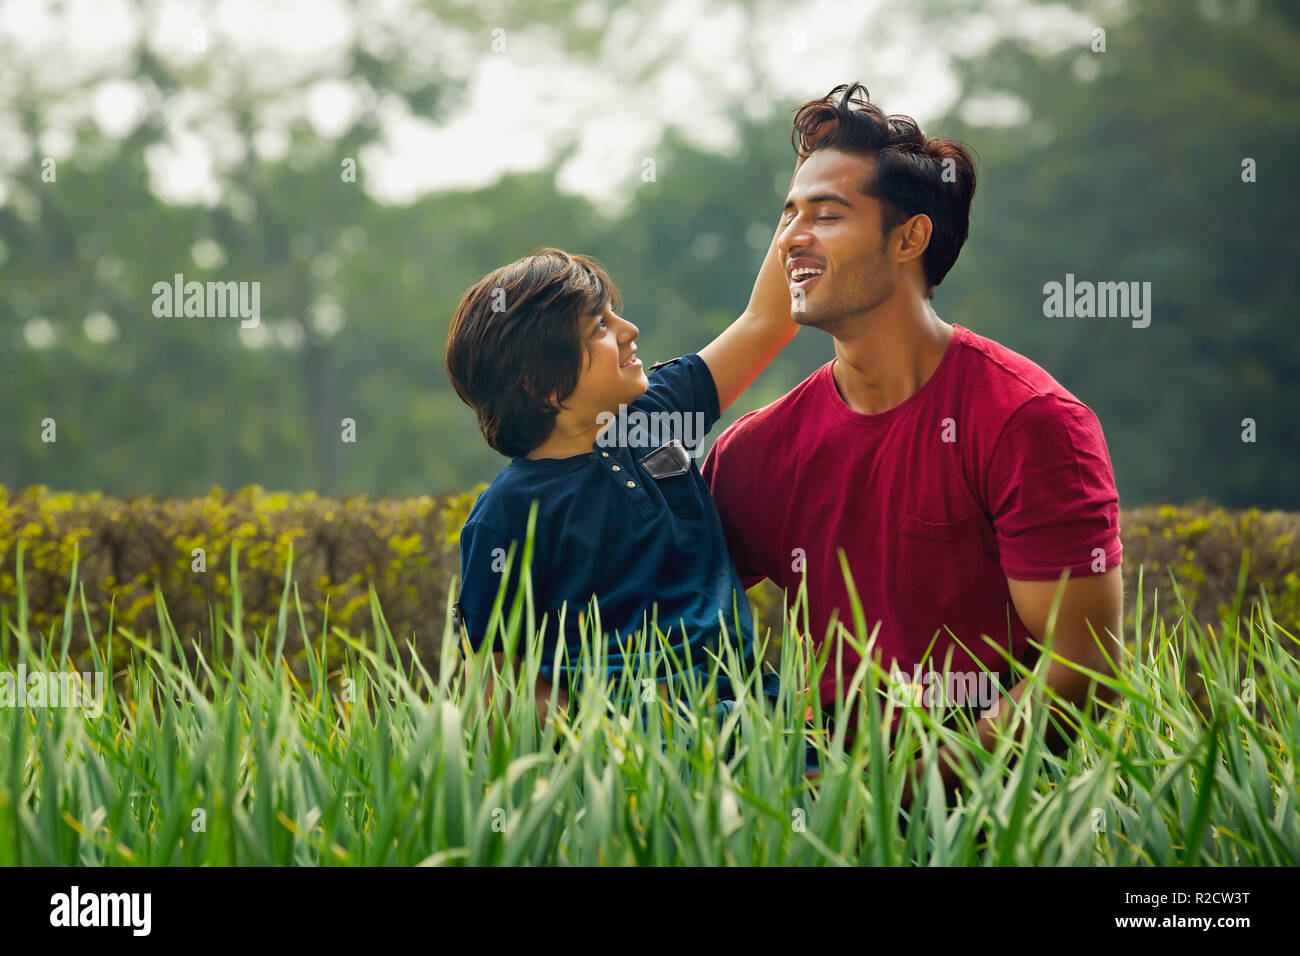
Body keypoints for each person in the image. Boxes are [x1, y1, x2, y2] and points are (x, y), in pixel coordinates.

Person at [701, 83, 1124, 800]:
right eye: (789, 214)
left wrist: (904, 792)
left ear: (910, 237)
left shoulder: (1029, 422)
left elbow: (1081, 668)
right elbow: (658, 618)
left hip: (1006, 821)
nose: (791, 238)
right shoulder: (754, 453)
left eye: (827, 215)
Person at [444, 229, 800, 728]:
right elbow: (496, 683)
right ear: (543, 384)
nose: (629, 329)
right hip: (633, 753)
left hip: (759, 719)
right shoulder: (507, 513)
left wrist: (809, 171)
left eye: (614, 313)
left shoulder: (659, 412)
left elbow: (766, 321)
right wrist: (613, 739)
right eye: (599, 328)